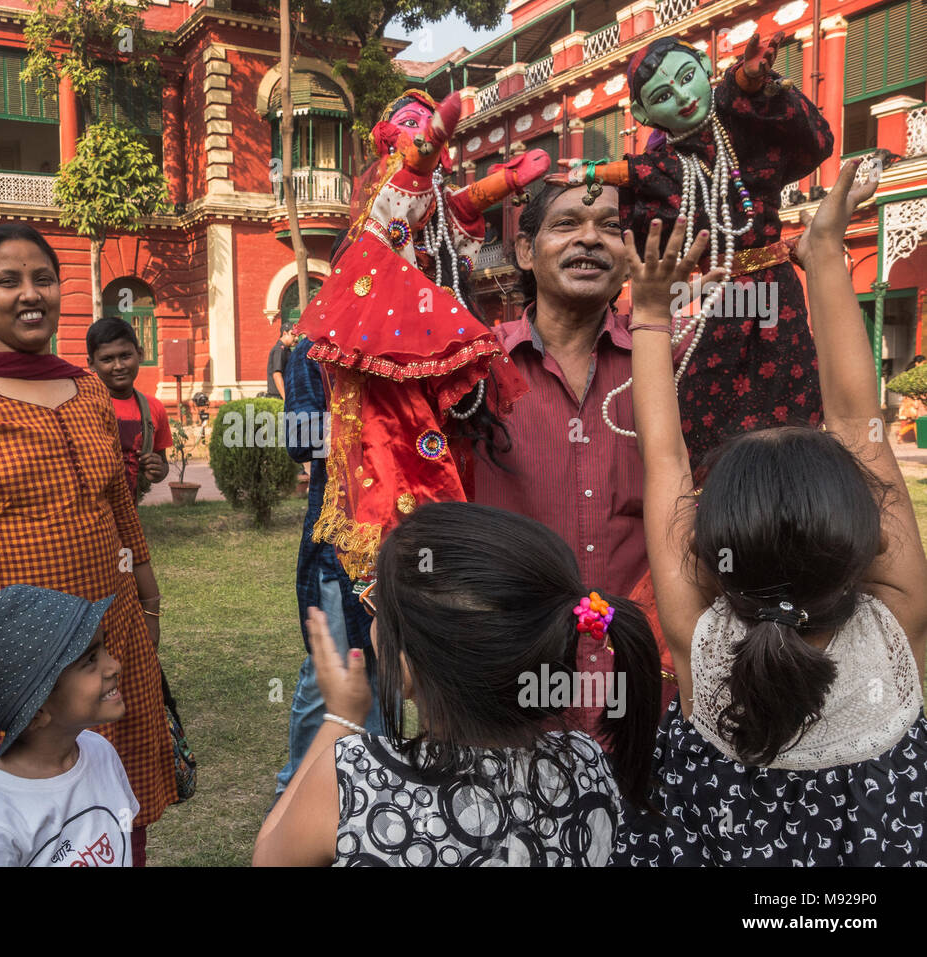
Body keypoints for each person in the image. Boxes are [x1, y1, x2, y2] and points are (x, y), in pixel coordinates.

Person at [613, 160, 927, 865]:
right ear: (864, 537)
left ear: (709, 549)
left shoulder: (701, 646)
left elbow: (664, 459)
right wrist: (823, 255)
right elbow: (855, 418)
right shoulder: (899, 627)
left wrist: (652, 313)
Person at [0, 223, 176, 866]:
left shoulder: (86, 391)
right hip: (6, 658)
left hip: (106, 628)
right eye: (8, 281)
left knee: (107, 794)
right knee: (16, 815)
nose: (30, 294)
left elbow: (116, 507)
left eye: (43, 278)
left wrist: (149, 604)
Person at [254, 502, 662, 866]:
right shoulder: (587, 763)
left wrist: (341, 719)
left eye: (377, 599)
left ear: (408, 660)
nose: (371, 611)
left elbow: (269, 859)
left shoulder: (355, 778)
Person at [295, 89, 543, 582]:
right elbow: (406, 188)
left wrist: (504, 181)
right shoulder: (381, 187)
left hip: (438, 365)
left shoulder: (435, 224)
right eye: (408, 122)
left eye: (426, 124)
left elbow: (456, 211)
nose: (421, 131)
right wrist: (429, 142)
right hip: (367, 462)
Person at [551, 33, 832, 467]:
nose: (682, 97)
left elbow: (811, 139)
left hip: (777, 289)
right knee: (710, 416)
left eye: (686, 77)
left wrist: (747, 83)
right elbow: (654, 175)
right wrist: (594, 174)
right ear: (643, 114)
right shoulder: (669, 169)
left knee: (791, 420)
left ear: (704, 65)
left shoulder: (745, 123)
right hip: (720, 296)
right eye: (663, 94)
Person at [474, 181, 680, 733]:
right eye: (566, 224)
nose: (589, 238)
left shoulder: (670, 364)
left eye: (610, 228)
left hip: (644, 692)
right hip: (513, 688)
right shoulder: (471, 371)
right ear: (524, 251)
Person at [0, 586, 139, 867]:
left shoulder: (101, 752)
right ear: (37, 711)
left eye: (104, 648)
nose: (114, 665)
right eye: (90, 659)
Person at [273, 329, 383, 801]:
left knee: (384, 673)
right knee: (333, 669)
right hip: (340, 548)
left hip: (404, 547)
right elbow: (301, 440)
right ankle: (297, 791)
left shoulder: (413, 340)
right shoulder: (311, 347)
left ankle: (373, 792)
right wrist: (378, 421)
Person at [86, 316, 170, 502]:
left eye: (125, 356)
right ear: (91, 363)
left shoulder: (152, 408)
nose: (118, 366)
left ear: (140, 354)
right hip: (88, 516)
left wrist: (158, 470)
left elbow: (162, 463)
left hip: (129, 513)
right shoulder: (82, 406)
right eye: (107, 359)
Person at [895, 355, 927, 443]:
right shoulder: (914, 374)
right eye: (923, 363)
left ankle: (902, 434)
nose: (924, 365)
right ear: (917, 363)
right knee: (918, 419)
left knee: (916, 421)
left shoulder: (909, 373)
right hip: (913, 400)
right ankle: (919, 440)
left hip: (911, 399)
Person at [265, 323, 296, 399]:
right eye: (293, 335)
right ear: (285, 333)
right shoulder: (279, 350)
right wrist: (286, 399)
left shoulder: (287, 350)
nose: (296, 338)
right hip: (278, 396)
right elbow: (277, 375)